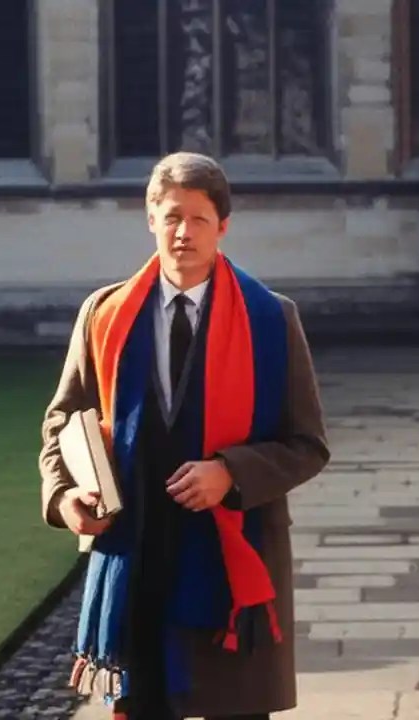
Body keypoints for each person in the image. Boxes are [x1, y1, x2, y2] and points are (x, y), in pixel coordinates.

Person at [38, 152, 330, 720]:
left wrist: (231, 472)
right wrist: (62, 497)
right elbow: (62, 422)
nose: (183, 233)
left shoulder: (272, 318)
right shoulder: (104, 314)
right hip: (139, 557)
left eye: (199, 219)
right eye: (171, 216)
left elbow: (308, 443)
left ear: (223, 225)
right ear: (150, 218)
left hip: (232, 562)